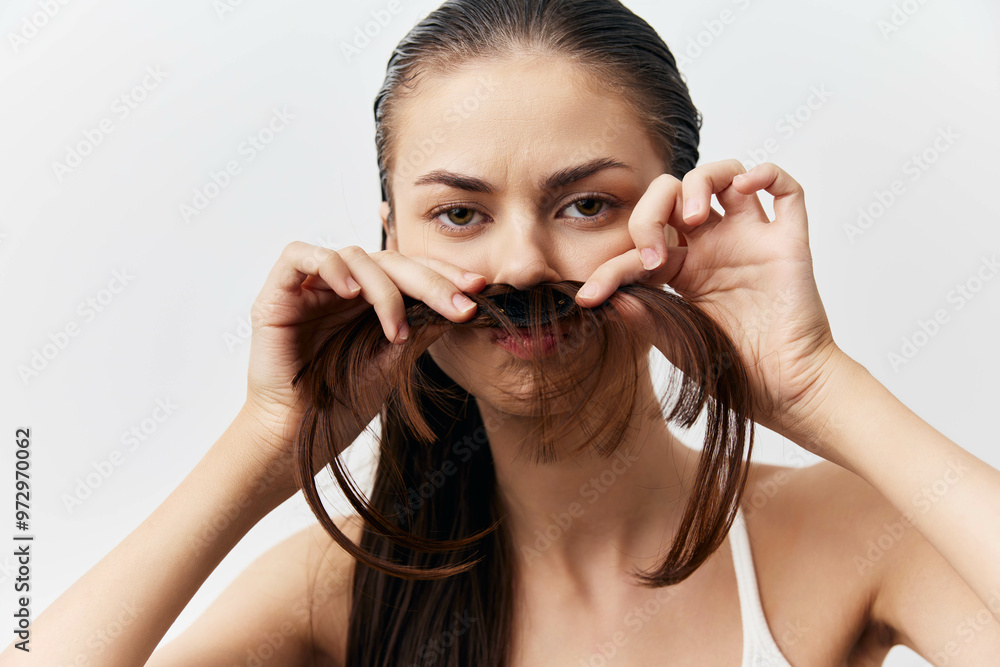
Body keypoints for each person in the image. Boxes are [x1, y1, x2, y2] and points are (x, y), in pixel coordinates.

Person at [4, 1, 998, 665]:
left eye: (584, 204)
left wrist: (814, 382)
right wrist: (268, 439)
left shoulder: (844, 534)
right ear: (387, 242)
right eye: (461, 215)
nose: (521, 266)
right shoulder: (333, 593)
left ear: (681, 217)